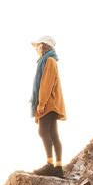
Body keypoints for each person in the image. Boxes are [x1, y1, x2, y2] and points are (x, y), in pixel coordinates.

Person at [30, 36, 66, 176]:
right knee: (52, 133)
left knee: (43, 132)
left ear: (44, 46)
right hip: (52, 103)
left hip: (49, 103)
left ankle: (51, 164)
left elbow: (46, 83)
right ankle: (58, 167)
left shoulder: (49, 61)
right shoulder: (48, 60)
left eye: (38, 45)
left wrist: (41, 103)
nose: (37, 48)